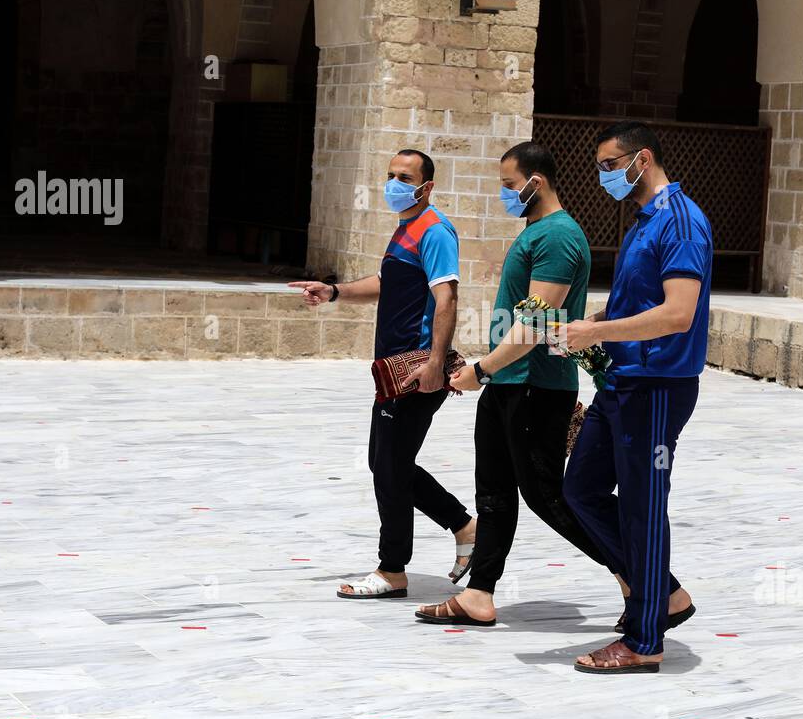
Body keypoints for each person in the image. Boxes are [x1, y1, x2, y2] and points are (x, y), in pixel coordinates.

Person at [414, 142, 608, 627]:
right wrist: (491, 374)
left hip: (536, 386)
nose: (504, 194)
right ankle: (479, 594)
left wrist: (482, 370)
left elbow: (539, 325)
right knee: (493, 492)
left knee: (548, 496)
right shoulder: (537, 231)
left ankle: (638, 576)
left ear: (534, 183)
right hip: (509, 383)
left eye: (508, 185)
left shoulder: (559, 237)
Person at [559, 121, 712, 674]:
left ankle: (646, 641)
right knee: (581, 488)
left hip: (657, 388)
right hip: (620, 381)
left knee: (645, 507)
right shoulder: (644, 221)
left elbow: (678, 314)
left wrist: (596, 335)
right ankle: (664, 593)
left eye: (608, 165)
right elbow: (637, 306)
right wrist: (594, 323)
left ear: (640, 159)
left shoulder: (681, 222)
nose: (603, 177)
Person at [290, 149, 477, 599]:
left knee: (389, 469)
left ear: (426, 186)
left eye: (404, 176)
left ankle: (393, 570)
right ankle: (466, 526)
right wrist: (334, 291)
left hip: (416, 369)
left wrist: (435, 362)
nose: (393, 183)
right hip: (392, 371)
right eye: (390, 174)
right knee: (386, 464)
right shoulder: (405, 230)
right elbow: (386, 283)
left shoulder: (434, 230)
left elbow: (447, 299)